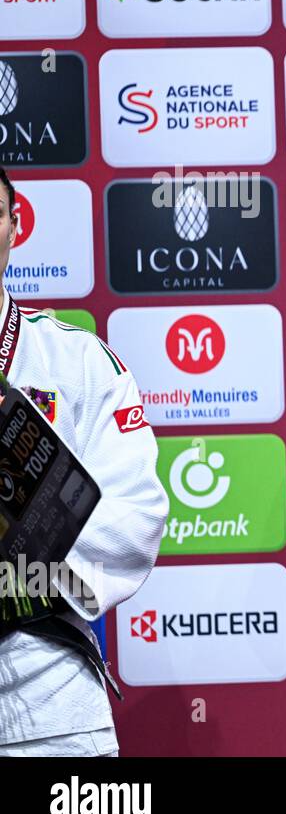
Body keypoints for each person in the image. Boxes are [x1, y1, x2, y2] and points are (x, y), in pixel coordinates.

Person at [0, 165, 168, 756]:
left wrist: (23, 565)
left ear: (15, 225)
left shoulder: (78, 363)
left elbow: (136, 516)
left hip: (50, 706)